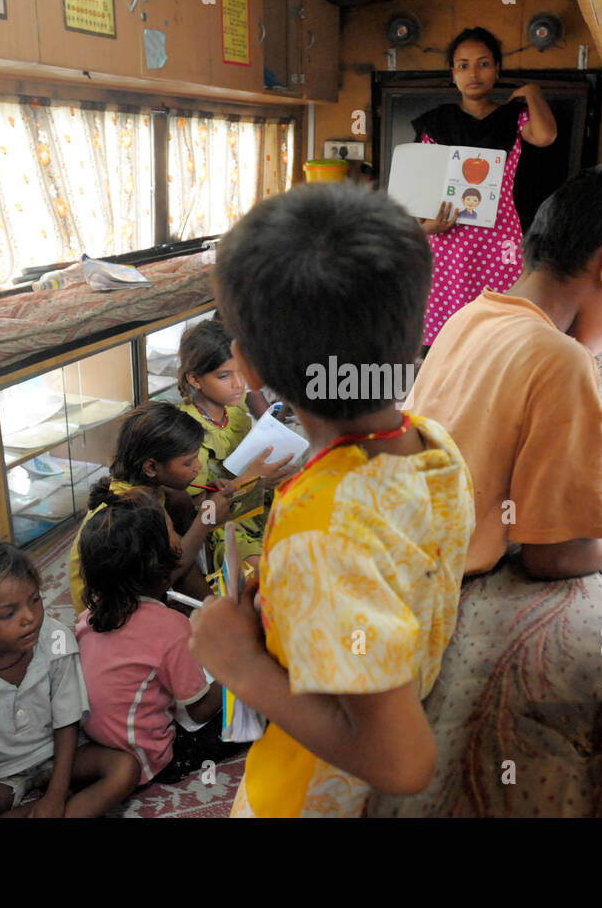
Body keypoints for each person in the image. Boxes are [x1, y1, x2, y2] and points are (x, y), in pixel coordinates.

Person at [189, 183, 475, 818]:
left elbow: (404, 762)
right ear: (413, 335)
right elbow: (387, 575)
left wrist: (241, 664)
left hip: (309, 796)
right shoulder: (435, 446)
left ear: (248, 368)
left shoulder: (320, 534)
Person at [404, 160, 602, 580]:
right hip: (414, 576)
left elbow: (480, 444)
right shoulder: (564, 359)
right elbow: (554, 557)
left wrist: (582, 473)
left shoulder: (470, 315)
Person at [0, 541, 139, 817]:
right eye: (8, 613)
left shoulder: (56, 640)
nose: (29, 617)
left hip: (58, 757)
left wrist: (56, 794)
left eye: (35, 600)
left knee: (125, 770)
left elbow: (67, 720)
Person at [74, 485, 242, 785]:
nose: (178, 536)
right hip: (147, 754)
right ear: (162, 565)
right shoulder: (169, 627)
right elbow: (200, 711)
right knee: (251, 705)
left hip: (100, 741)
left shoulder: (88, 617)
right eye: (172, 532)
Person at [414, 26, 558, 348]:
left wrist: (532, 91)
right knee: (447, 340)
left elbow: (546, 136)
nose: (473, 73)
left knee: (498, 336)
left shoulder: (514, 118)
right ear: (452, 73)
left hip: (500, 241)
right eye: (462, 65)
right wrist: (427, 228)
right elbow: (418, 191)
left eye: (483, 63)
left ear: (497, 70)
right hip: (447, 243)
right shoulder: (436, 123)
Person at [68, 401, 232, 613]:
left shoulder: (138, 486)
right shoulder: (136, 511)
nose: (198, 467)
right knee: (184, 561)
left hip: (128, 582)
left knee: (180, 502)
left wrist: (204, 500)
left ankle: (209, 598)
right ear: (151, 467)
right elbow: (171, 570)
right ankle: (219, 614)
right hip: (107, 610)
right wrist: (206, 519)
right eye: (189, 462)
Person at [177, 319, 294, 575]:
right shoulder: (188, 432)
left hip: (257, 500)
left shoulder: (236, 409)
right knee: (269, 575)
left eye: (242, 371)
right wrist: (255, 480)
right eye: (224, 376)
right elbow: (201, 511)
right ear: (195, 379)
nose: (239, 384)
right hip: (224, 524)